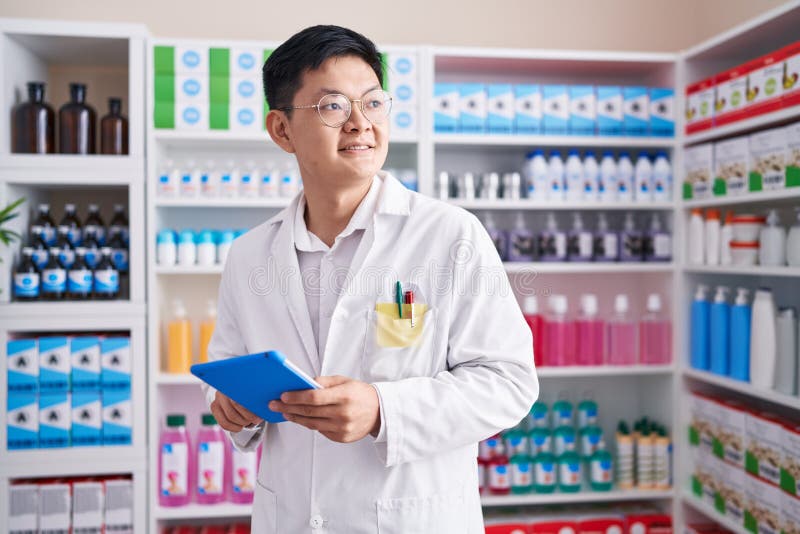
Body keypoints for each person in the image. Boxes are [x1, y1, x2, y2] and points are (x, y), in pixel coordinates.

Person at [203, 24, 538, 533]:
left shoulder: (450, 235)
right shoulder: (250, 255)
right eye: (333, 106)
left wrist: (384, 409)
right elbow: (226, 366)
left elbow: (509, 382)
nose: (361, 123)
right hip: (289, 517)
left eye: (374, 103)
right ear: (282, 130)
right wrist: (229, 407)